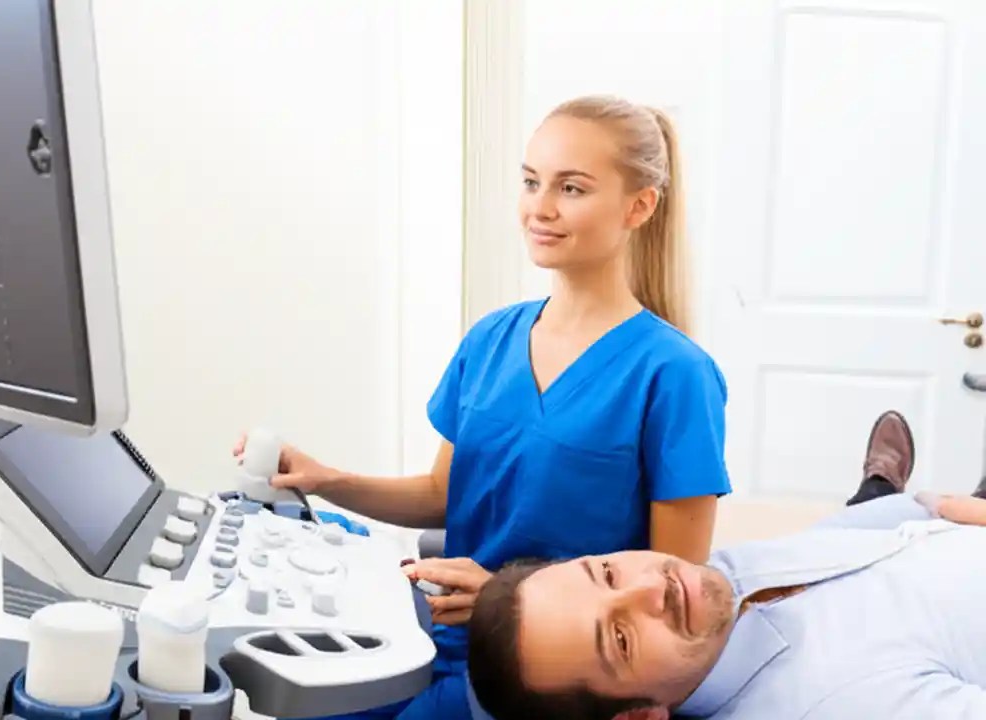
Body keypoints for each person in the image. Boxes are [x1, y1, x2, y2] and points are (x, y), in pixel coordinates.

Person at [235, 94, 732, 720]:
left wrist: (505, 595)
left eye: (571, 189)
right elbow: (445, 494)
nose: (540, 209)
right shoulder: (491, 339)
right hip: (433, 631)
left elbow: (672, 595)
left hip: (528, 680)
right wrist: (324, 479)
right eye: (531, 182)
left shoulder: (676, 374)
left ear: (639, 206)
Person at [464, 410, 986, 719]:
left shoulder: (715, 591)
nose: (651, 588)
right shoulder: (838, 703)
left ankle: (879, 490)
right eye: (620, 638)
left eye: (606, 573)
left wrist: (938, 509)